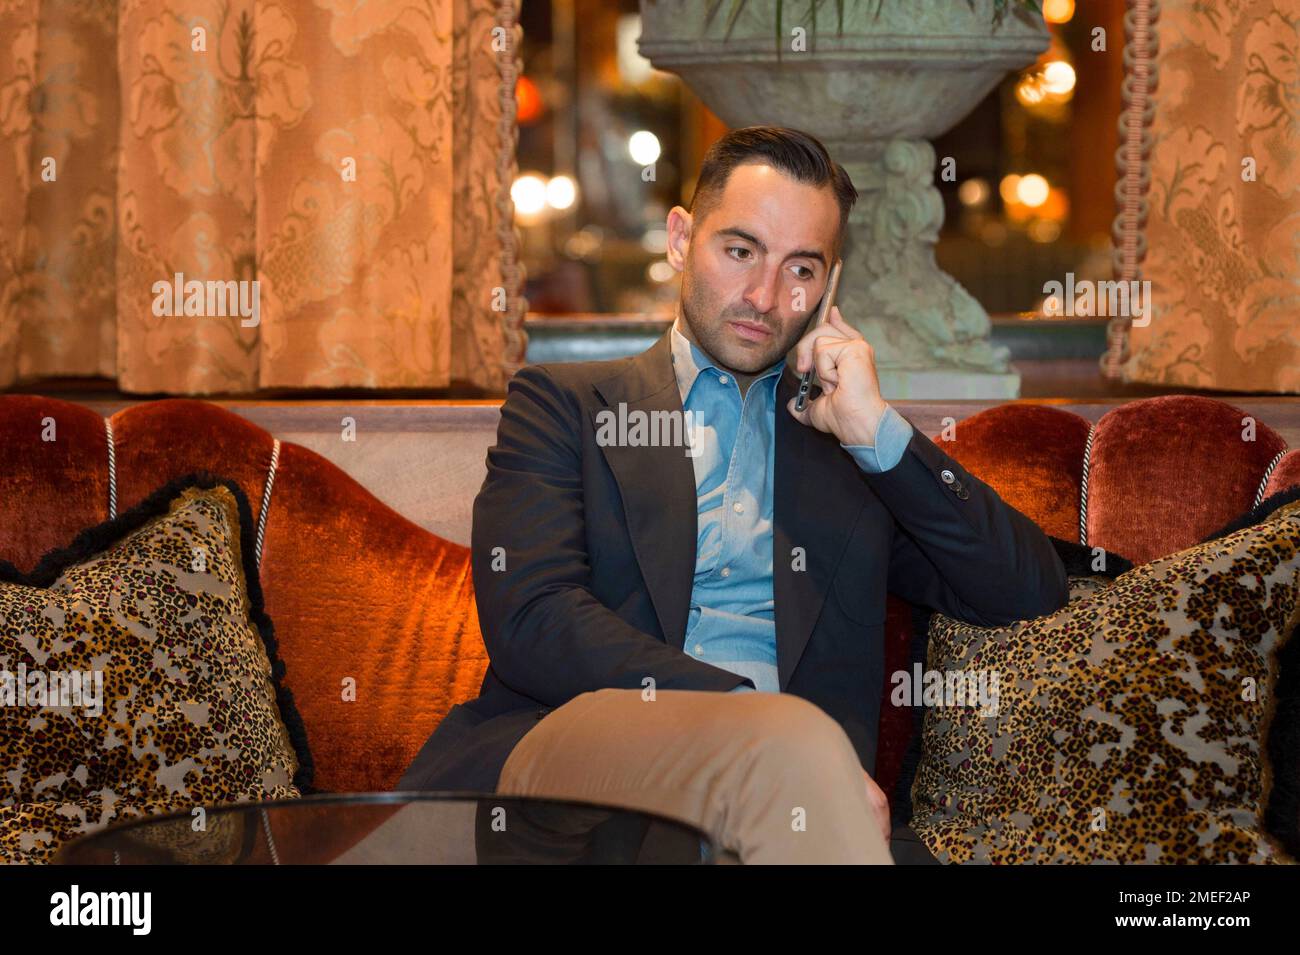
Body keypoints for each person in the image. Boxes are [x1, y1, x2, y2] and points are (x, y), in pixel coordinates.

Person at [397, 125, 1069, 863]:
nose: (764, 296)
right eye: (741, 250)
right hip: (576, 773)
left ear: (830, 286)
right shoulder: (567, 404)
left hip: (778, 816)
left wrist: (875, 429)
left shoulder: (846, 452)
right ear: (682, 239)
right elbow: (532, 615)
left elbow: (1027, 589)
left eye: (801, 269)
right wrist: (751, 715)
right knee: (790, 749)